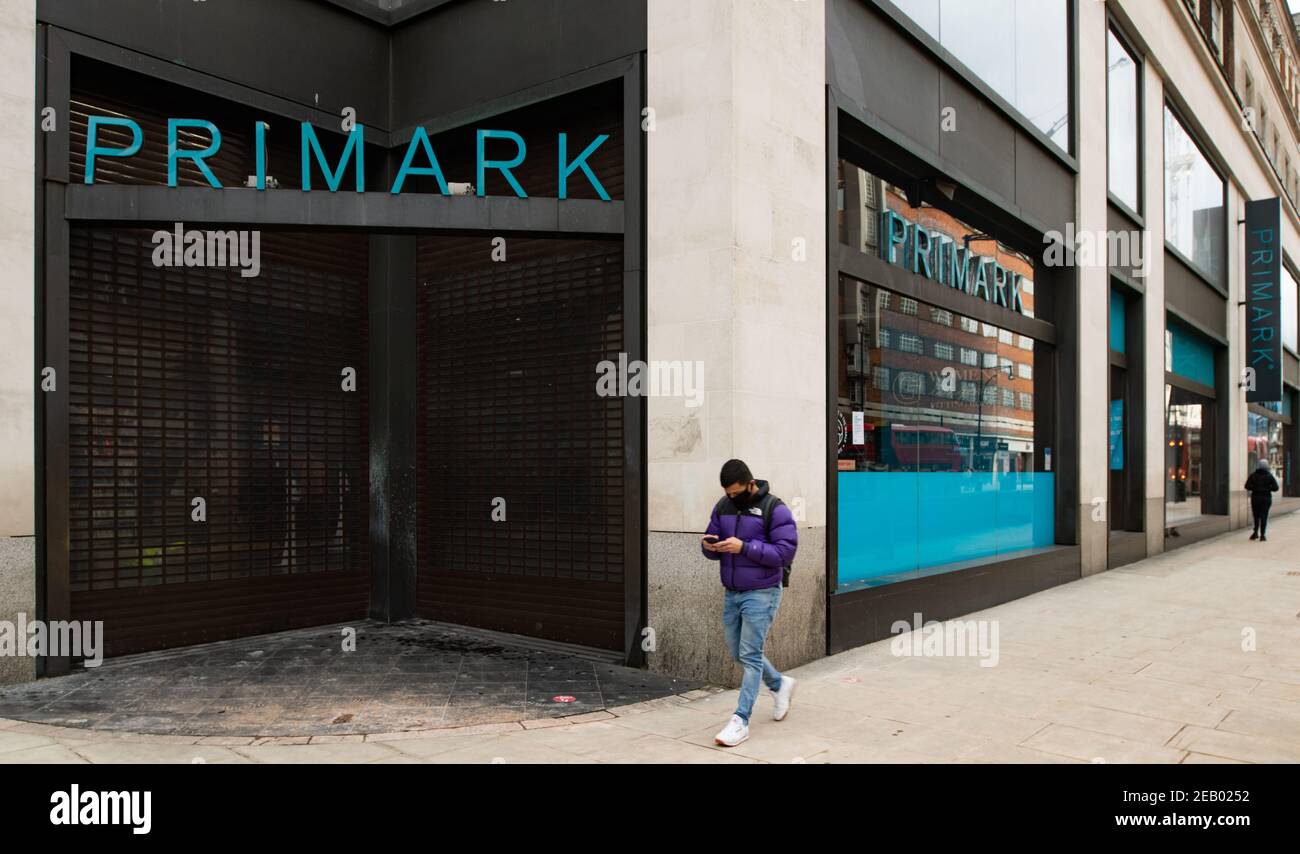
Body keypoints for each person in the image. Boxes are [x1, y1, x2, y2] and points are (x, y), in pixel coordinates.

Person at [700, 459, 798, 747]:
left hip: (763, 591)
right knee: (739, 653)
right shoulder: (723, 506)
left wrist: (744, 547)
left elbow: (785, 553)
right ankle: (780, 684)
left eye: (736, 492)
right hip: (732, 591)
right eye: (728, 493)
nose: (732, 497)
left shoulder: (774, 508)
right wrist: (711, 546)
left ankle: (740, 720)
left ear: (750, 483)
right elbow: (711, 547)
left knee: (750, 654)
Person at [1245, 459, 1280, 541]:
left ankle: (1255, 532)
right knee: (1264, 516)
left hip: (1256, 498)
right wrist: (1268, 488)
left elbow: (1247, 486)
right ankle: (1263, 535)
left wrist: (1255, 488)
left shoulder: (1253, 475)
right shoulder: (1269, 476)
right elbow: (1276, 488)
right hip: (1266, 498)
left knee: (1256, 516)